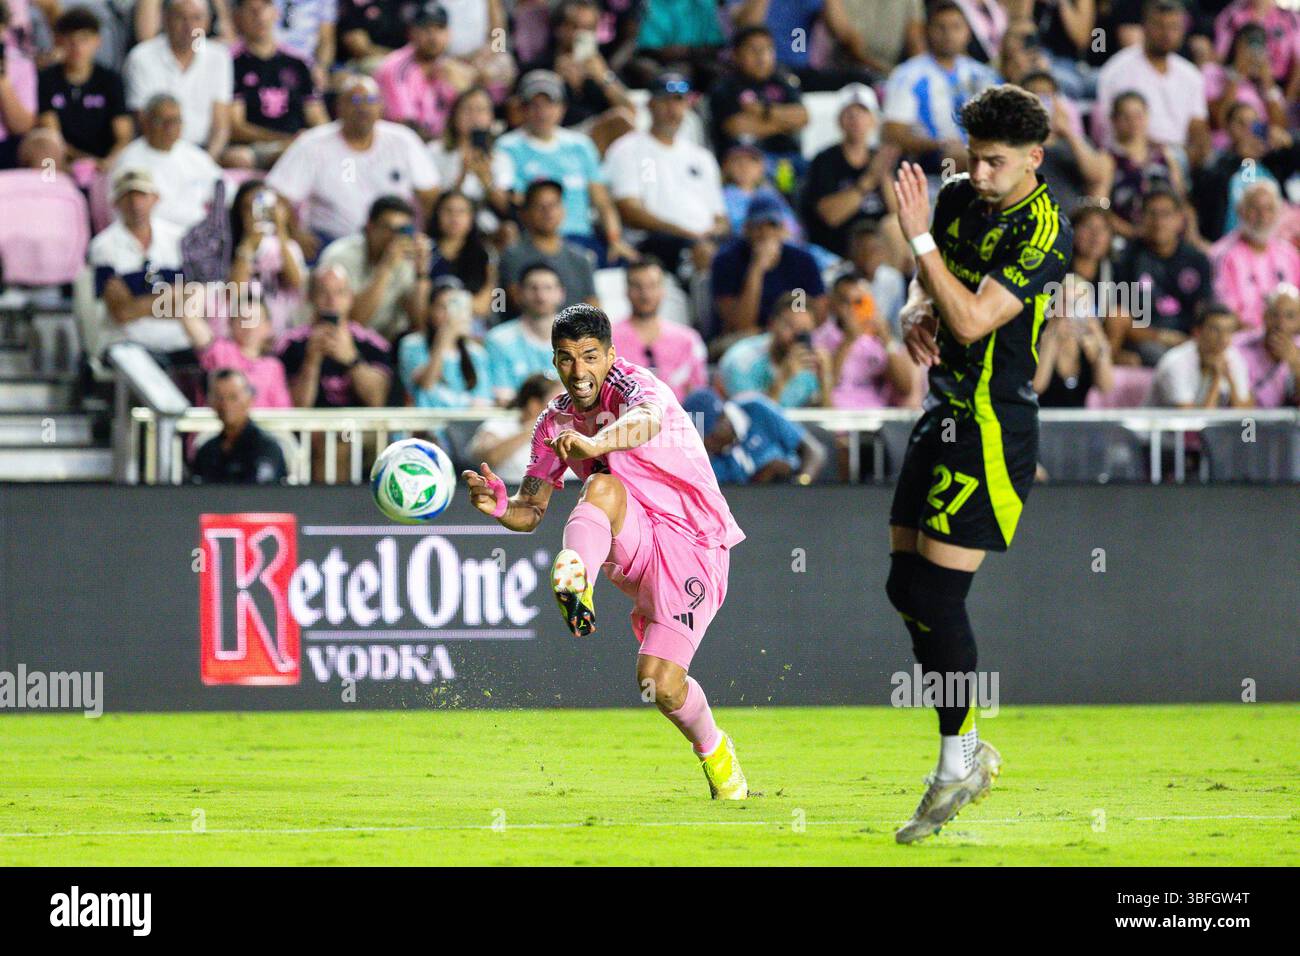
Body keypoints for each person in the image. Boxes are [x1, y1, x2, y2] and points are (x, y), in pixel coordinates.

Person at [461, 303, 750, 800]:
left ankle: (717, 752)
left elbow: (643, 424)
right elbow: (531, 510)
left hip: (693, 541)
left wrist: (595, 443)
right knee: (603, 488)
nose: (578, 372)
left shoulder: (639, 387)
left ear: (611, 355)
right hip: (630, 534)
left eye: (589, 356)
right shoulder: (553, 424)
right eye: (566, 359)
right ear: (554, 361)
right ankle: (577, 575)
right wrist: (499, 506)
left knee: (659, 684)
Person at [887, 85, 1072, 842]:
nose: (980, 173)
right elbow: (933, 296)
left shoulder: (1044, 234)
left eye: (996, 161)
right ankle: (962, 753)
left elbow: (968, 314)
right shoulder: (961, 195)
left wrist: (916, 242)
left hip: (994, 425)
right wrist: (909, 300)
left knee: (935, 595)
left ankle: (957, 757)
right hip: (942, 411)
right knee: (904, 583)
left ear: (1034, 157)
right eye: (973, 158)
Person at [266, 74, 441, 249]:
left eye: (371, 99)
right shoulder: (312, 144)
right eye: (355, 100)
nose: (363, 107)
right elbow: (277, 195)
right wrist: (296, 234)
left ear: (381, 106)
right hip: (330, 242)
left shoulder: (403, 140)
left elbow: (430, 194)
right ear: (339, 107)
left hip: (394, 241)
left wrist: (423, 233)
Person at [496, 69, 633, 262]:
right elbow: (511, 201)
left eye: (549, 104)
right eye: (535, 105)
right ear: (523, 109)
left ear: (562, 108)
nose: (542, 113)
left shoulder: (580, 145)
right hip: (538, 240)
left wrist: (614, 238)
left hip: (581, 237)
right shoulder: (508, 147)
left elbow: (602, 201)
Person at [602, 70, 727, 280]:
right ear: (650, 104)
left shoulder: (701, 157)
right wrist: (686, 233)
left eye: (678, 101)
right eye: (664, 101)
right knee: (703, 256)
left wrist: (713, 231)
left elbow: (720, 216)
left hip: (704, 239)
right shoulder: (629, 149)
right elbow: (630, 210)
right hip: (654, 241)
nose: (672, 109)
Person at [882, 0, 999, 176]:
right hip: (932, 158)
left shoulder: (983, 75)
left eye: (955, 27)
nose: (948, 34)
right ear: (928, 31)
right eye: (941, 27)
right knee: (954, 158)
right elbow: (893, 133)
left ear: (968, 32)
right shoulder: (908, 75)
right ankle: (953, 197)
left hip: (980, 153)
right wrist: (938, 145)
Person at [1091, 0, 1211, 168]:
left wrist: (1194, 153)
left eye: (1173, 27)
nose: (1166, 33)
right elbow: (1111, 129)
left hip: (1180, 158)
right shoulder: (1118, 70)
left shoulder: (1191, 75)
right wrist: (1160, 152)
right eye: (1159, 26)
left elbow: (1198, 127)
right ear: (1145, 27)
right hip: (1131, 159)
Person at [88, 167, 192, 360]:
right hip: (129, 343)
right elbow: (122, 311)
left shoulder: (178, 239)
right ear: (115, 203)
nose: (135, 204)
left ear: (155, 198)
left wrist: (140, 304)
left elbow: (194, 301)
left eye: (142, 195)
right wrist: (171, 298)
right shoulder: (103, 246)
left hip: (180, 341)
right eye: (127, 197)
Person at [1108, 186, 1214, 367]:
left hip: (1188, 341)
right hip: (1145, 338)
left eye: (1166, 214)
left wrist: (1192, 341)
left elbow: (1203, 310)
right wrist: (1161, 337)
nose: (1159, 222)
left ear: (1180, 219)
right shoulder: (1127, 258)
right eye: (1152, 214)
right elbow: (1120, 317)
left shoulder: (1197, 259)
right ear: (1141, 218)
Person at [124, 0, 234, 158]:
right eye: (180, 17)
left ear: (208, 22)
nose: (189, 26)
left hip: (205, 153)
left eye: (196, 18)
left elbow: (221, 126)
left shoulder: (218, 57)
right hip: (156, 151)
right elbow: (143, 122)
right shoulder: (142, 57)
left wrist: (207, 162)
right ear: (165, 19)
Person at [801, 83, 900, 259]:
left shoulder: (881, 158)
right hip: (838, 249)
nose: (856, 120)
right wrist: (868, 180)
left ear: (873, 120)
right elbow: (831, 216)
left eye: (863, 113)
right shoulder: (825, 160)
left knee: (894, 227)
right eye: (849, 114)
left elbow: (898, 216)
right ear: (839, 120)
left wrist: (884, 176)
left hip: (881, 249)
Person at [317, 195, 433, 342]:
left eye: (403, 230)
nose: (395, 237)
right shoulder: (341, 256)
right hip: (338, 339)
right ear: (370, 227)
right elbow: (354, 322)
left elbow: (419, 325)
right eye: (388, 228)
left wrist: (421, 273)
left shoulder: (406, 260)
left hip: (386, 345)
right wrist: (385, 267)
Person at [711, 193, 825, 339]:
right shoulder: (727, 261)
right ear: (746, 229)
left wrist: (788, 327)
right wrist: (756, 269)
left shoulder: (801, 260)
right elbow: (740, 325)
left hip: (790, 335)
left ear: (783, 229)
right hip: (744, 339)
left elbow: (818, 313)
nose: (765, 233)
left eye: (772, 226)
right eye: (758, 226)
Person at [277, 262, 393, 408]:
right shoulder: (290, 344)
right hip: (311, 428)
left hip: (357, 429)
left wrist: (352, 359)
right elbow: (292, 407)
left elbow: (377, 401)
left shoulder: (374, 343)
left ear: (351, 297)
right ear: (310, 297)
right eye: (323, 292)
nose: (332, 301)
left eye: (340, 292)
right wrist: (311, 363)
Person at [228, 0, 327, 168]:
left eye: (264, 8)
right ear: (237, 18)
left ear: (276, 13)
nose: (259, 16)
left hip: (298, 143)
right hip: (256, 146)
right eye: (252, 10)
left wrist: (321, 139)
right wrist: (283, 140)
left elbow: (317, 116)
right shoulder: (230, 62)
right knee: (239, 158)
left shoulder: (299, 62)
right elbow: (235, 126)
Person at [37, 6, 132, 170]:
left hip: (106, 164)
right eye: (70, 40)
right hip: (63, 163)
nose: (77, 47)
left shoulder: (110, 80)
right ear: (58, 41)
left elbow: (123, 135)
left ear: (97, 41)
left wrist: (106, 163)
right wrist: (85, 163)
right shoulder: (47, 80)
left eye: (84, 39)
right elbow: (52, 135)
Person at [112, 93, 223, 232]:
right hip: (157, 238)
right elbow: (127, 217)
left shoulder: (193, 155)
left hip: (199, 237)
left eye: (175, 121)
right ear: (145, 123)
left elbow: (224, 189)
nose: (170, 128)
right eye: (162, 121)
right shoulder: (130, 161)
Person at [707, 25, 807, 171]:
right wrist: (786, 124)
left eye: (767, 49)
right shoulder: (725, 86)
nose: (761, 56)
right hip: (746, 163)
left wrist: (763, 111)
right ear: (736, 54)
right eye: (753, 50)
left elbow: (803, 117)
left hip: (789, 158)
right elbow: (736, 126)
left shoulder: (782, 80)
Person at [682, 387, 826, 485]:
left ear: (723, 418)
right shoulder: (707, 460)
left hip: (797, 493)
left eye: (711, 436)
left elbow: (814, 451)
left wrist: (801, 483)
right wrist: (762, 477)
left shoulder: (755, 408)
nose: (707, 445)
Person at [609, 258, 708, 401]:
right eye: (638, 286)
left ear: (663, 290)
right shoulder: (608, 339)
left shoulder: (688, 339)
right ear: (627, 290)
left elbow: (698, 395)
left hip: (679, 418)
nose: (645, 294)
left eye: (652, 286)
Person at [372, 1, 472, 142]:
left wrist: (463, 88)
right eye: (426, 29)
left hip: (442, 147)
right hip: (403, 147)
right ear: (412, 32)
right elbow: (405, 126)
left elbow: (466, 119)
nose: (433, 37)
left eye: (439, 29)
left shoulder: (449, 69)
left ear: (449, 33)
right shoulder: (395, 68)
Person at [813, 272, 914, 408]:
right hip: (835, 415)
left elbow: (905, 388)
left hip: (873, 415)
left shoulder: (877, 339)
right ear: (833, 304)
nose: (850, 309)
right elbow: (825, 387)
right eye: (844, 301)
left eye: (858, 302)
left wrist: (886, 339)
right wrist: (848, 340)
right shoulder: (821, 337)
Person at [1211, 179, 1300, 332]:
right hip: (1242, 341)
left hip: (1289, 337)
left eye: (1269, 209)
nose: (1263, 216)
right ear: (1240, 211)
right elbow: (1225, 313)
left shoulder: (1288, 254)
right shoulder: (1223, 254)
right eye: (1254, 208)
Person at [426, 85, 514, 237]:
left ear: (491, 118)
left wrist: (486, 180)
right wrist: (462, 173)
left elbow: (505, 207)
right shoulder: (434, 151)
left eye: (480, 110)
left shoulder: (500, 157)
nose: (474, 116)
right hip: (445, 226)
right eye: (467, 109)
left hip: (486, 227)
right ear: (454, 116)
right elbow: (431, 204)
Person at [499, 178, 598, 312]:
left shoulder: (580, 258)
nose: (548, 212)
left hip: (573, 331)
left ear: (563, 210)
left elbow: (592, 304)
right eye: (540, 206)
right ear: (525, 213)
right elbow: (514, 300)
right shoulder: (513, 255)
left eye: (554, 204)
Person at [718, 292, 832, 408]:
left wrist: (825, 381)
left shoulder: (811, 363)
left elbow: (826, 420)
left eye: (804, 331)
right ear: (772, 324)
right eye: (790, 326)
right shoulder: (742, 361)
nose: (796, 336)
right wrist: (783, 377)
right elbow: (753, 420)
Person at [226, 180, 307, 338]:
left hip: (281, 332)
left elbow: (296, 283)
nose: (256, 213)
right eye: (248, 208)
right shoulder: (229, 248)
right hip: (243, 334)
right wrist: (249, 243)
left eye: (263, 206)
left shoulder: (288, 246)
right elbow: (233, 293)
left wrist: (281, 230)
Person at [397, 276, 493, 409]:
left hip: (463, 426)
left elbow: (482, 400)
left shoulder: (477, 354)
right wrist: (444, 339)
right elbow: (426, 385)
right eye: (442, 307)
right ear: (430, 310)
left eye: (455, 307)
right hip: (423, 425)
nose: (449, 314)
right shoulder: (412, 345)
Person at [179, 296, 292, 407]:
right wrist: (201, 287)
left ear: (268, 326)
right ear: (230, 323)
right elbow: (189, 317)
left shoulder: (274, 367)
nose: (249, 325)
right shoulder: (219, 350)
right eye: (243, 319)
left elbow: (283, 409)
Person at [1105, 91, 1182, 240]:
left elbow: (1180, 199)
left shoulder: (1165, 155)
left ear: (1147, 116)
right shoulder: (1107, 159)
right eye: (1125, 116)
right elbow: (1101, 207)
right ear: (1114, 120)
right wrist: (1134, 233)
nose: (1133, 122)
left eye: (1138, 115)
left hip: (1167, 237)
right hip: (1125, 238)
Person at [191, 368, 288, 483]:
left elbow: (262, 493)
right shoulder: (207, 451)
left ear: (250, 399)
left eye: (233, 397)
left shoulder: (267, 448)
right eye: (219, 397)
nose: (225, 405)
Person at [484, 262, 565, 402]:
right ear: (519, 293)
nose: (541, 295)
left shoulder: (579, 340)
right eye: (533, 288)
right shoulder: (498, 340)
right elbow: (502, 398)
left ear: (561, 293)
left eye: (548, 288)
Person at [1147, 301, 1252, 408]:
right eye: (1215, 330)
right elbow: (1191, 423)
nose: (1224, 339)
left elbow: (1246, 415)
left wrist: (1230, 379)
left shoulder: (1233, 357)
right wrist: (1217, 378)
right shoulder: (1176, 363)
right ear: (1197, 332)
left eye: (1229, 331)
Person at [467, 371, 563, 484]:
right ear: (534, 405)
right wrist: (536, 428)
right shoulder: (499, 425)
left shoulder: (567, 429)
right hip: (511, 494)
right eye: (558, 403)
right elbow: (488, 457)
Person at [427, 188, 496, 318]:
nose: (455, 217)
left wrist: (447, 303)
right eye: (448, 211)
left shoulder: (485, 254)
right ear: (437, 215)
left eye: (461, 212)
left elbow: (486, 304)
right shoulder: (425, 250)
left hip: (471, 325)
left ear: (472, 218)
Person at [1234, 282, 1300, 408]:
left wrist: (1295, 366)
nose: (1280, 324)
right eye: (1275, 315)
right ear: (1264, 316)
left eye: (1290, 316)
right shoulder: (1240, 346)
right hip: (1247, 424)